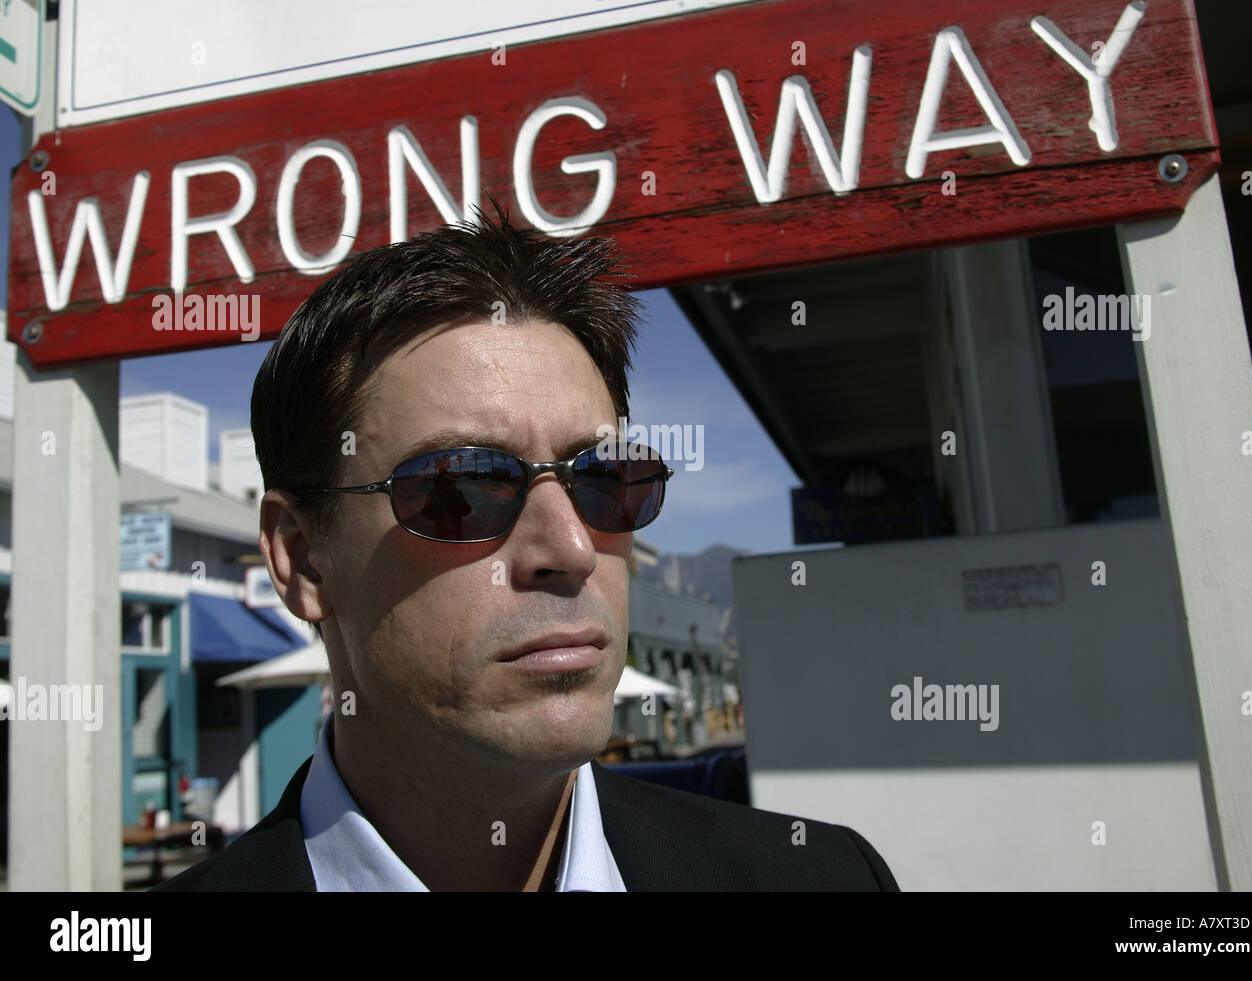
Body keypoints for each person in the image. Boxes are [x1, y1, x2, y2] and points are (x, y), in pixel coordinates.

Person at [156, 204, 898, 892]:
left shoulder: (823, 879)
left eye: (606, 479)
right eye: (463, 486)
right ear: (303, 557)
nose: (572, 547)